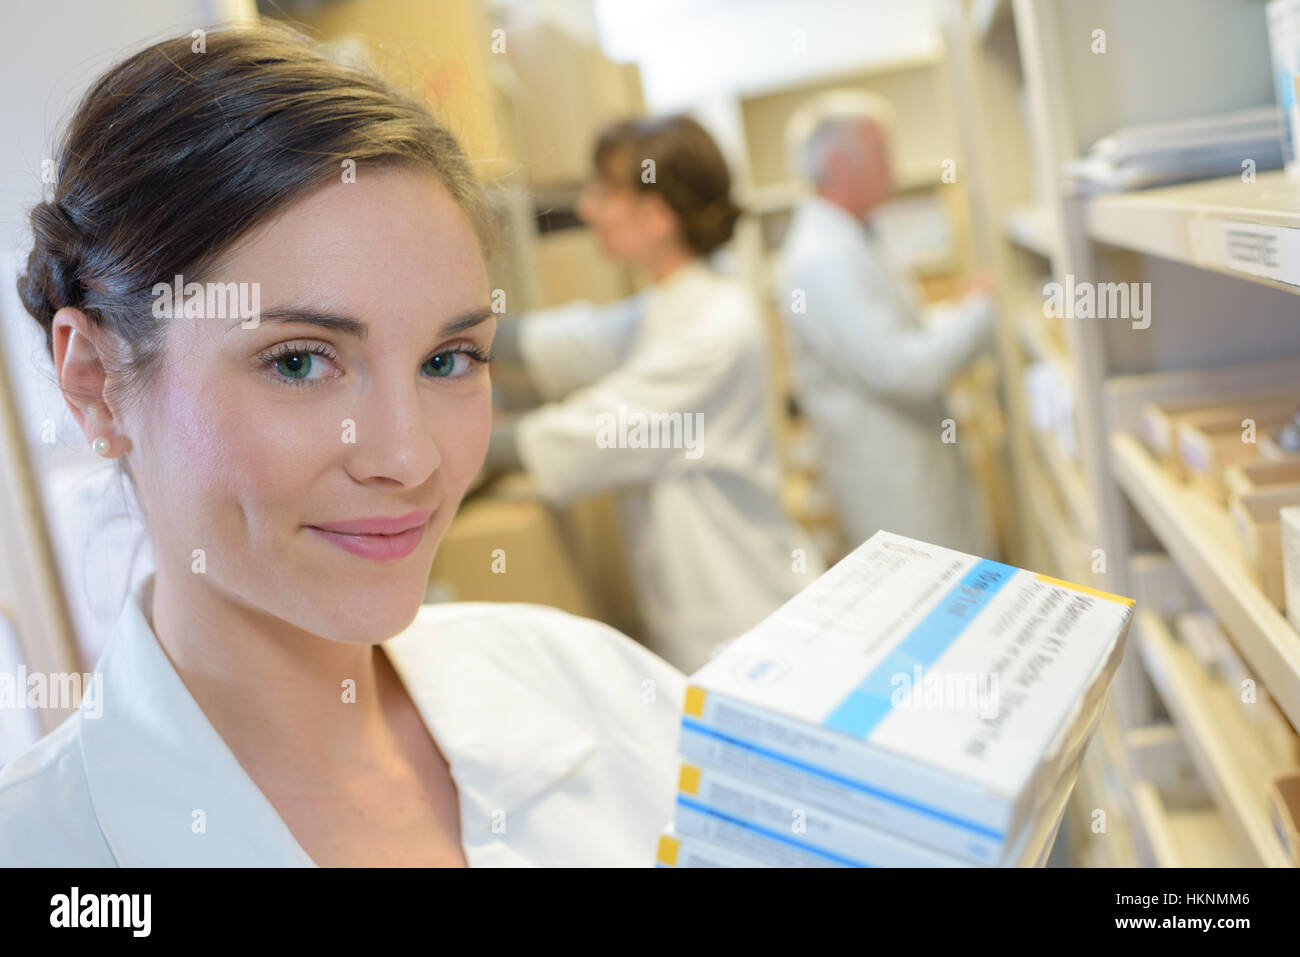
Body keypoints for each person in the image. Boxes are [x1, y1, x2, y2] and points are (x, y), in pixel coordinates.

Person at [0, 25, 686, 867]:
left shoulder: (606, 689)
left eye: (448, 359)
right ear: (97, 380)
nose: (409, 456)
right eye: (299, 361)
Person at [487, 115, 825, 673]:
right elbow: (574, 342)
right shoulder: (668, 306)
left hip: (742, 612)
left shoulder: (718, 324)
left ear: (659, 214)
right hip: (704, 604)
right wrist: (458, 330)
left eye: (604, 191)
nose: (588, 208)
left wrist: (457, 443)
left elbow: (602, 430)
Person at [776, 91, 997, 556]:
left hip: (917, 477)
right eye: (882, 154)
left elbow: (898, 336)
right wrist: (980, 313)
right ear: (839, 163)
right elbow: (903, 369)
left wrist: (959, 315)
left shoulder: (853, 239)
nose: (891, 170)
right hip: (899, 495)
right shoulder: (822, 258)